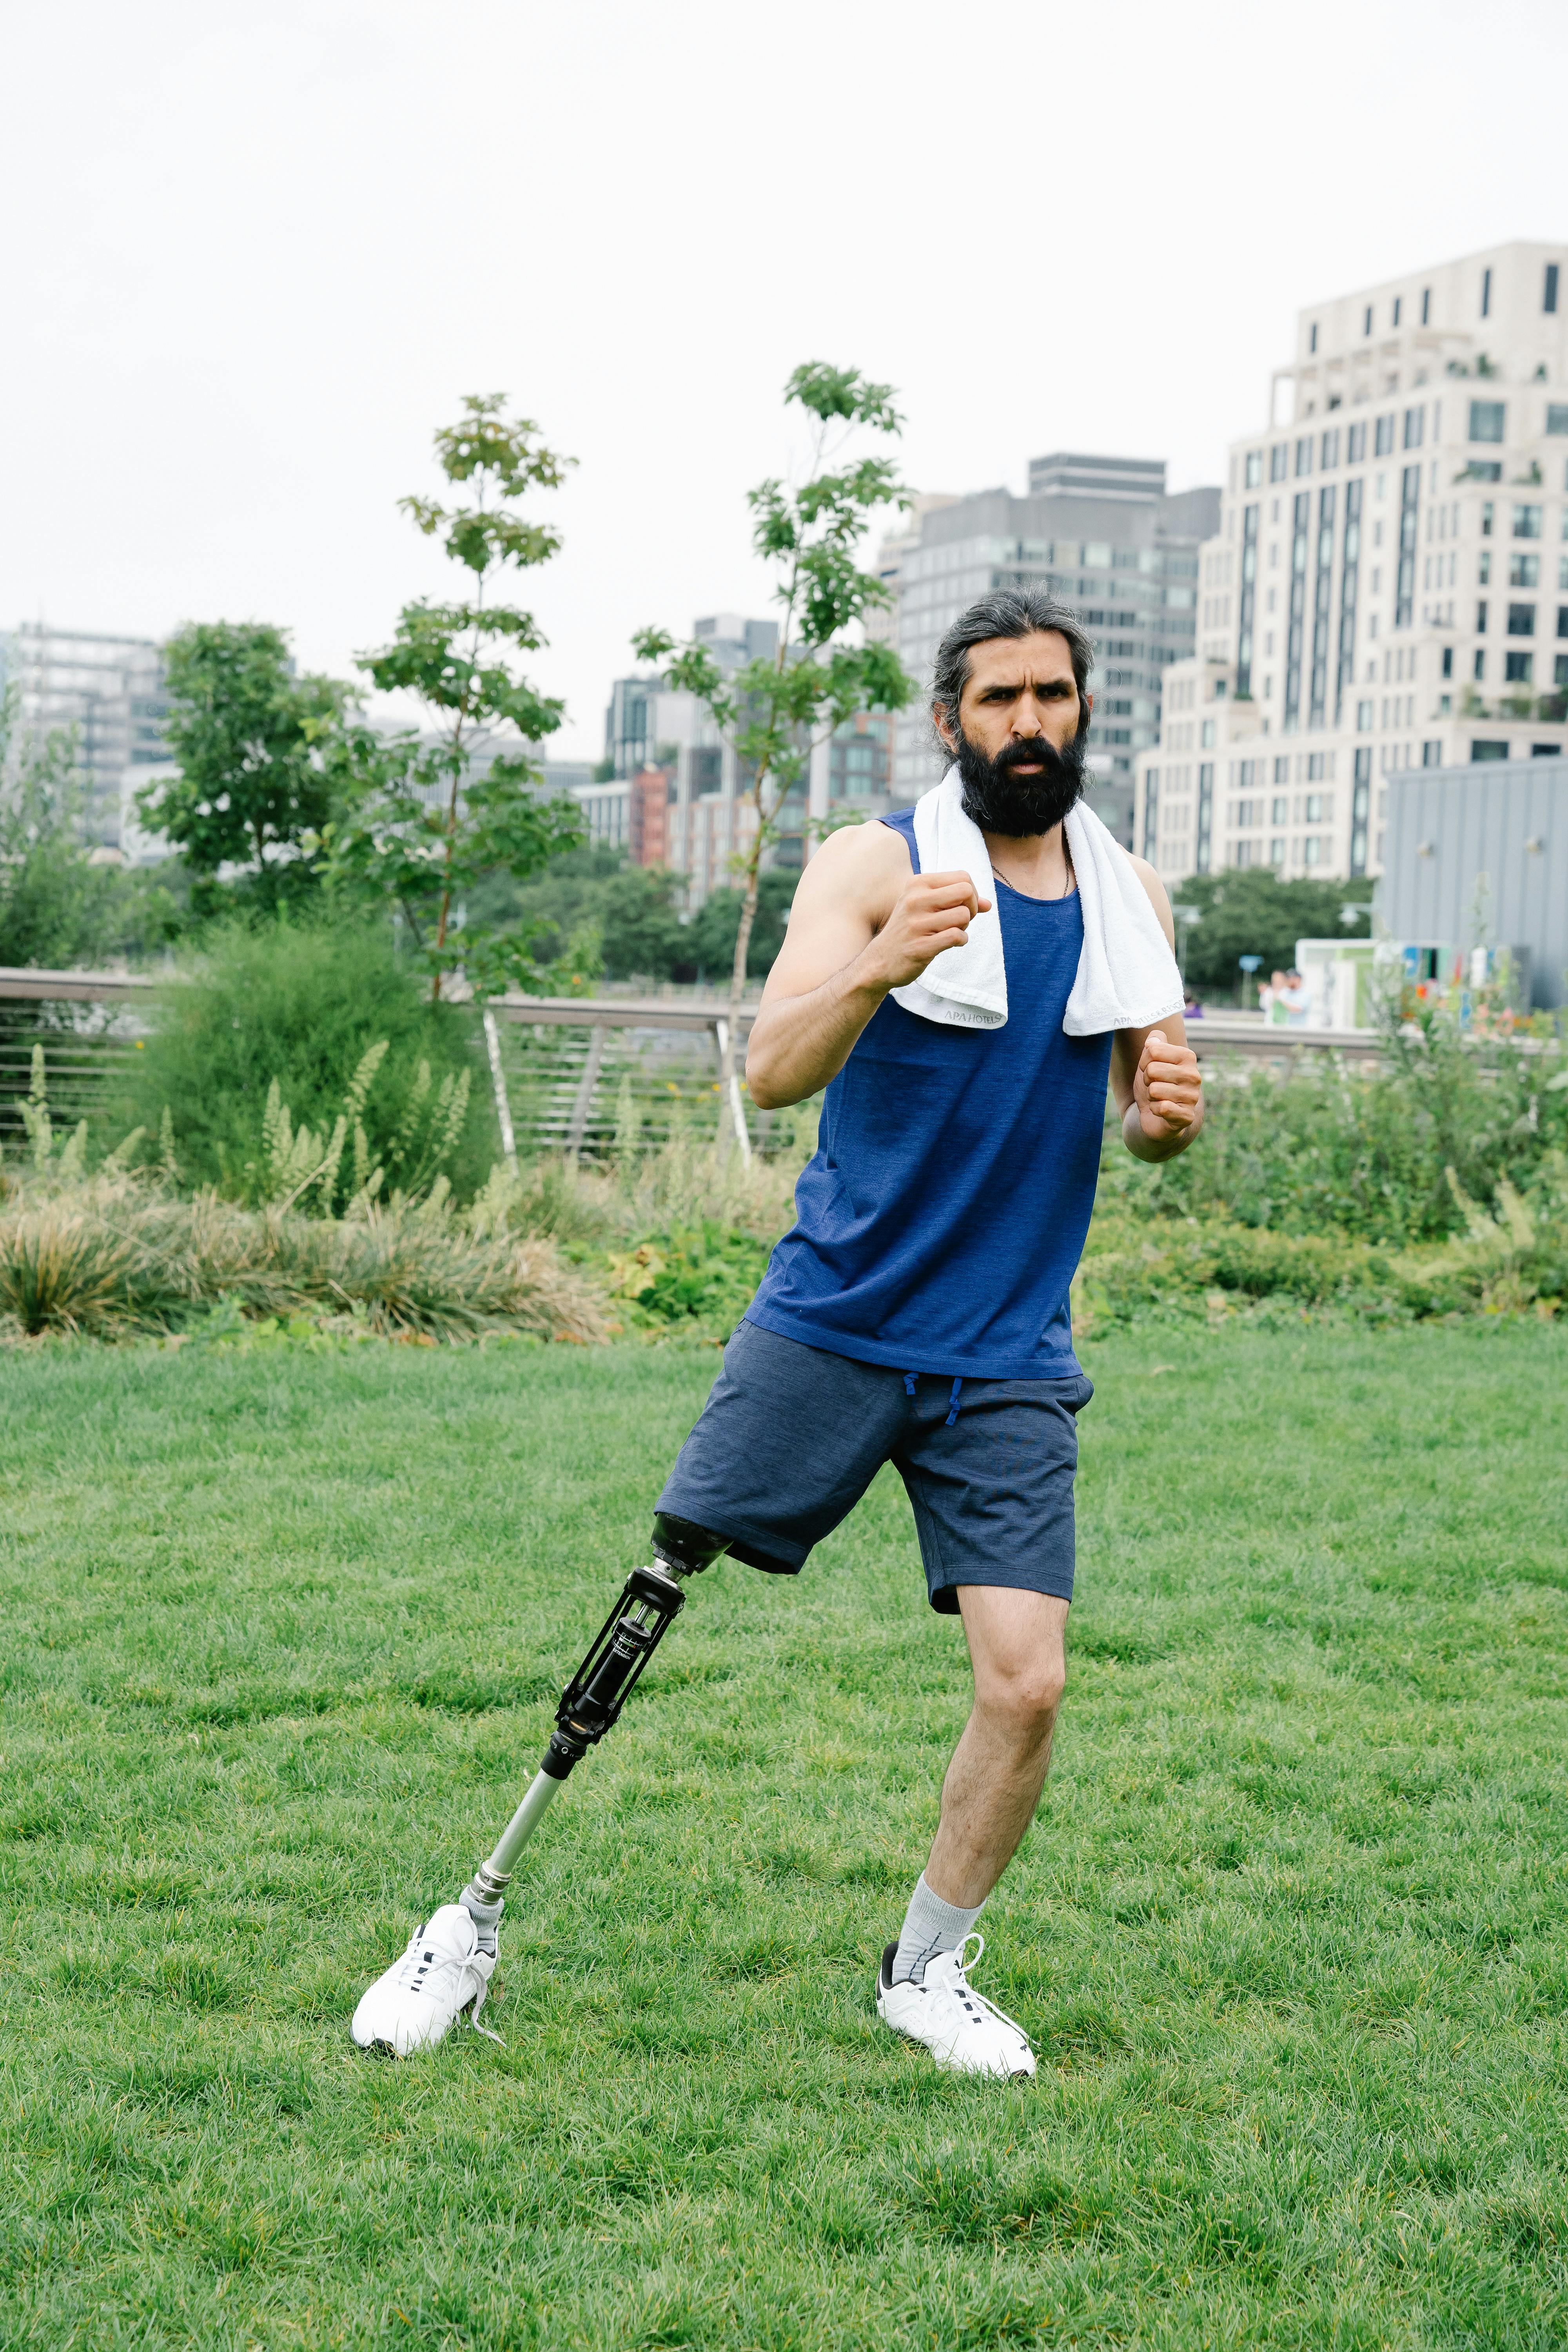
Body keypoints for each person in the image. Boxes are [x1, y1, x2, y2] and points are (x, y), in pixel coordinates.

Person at [353, 592, 1205, 2078]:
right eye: (997, 699)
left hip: (1005, 1352)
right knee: (661, 1585)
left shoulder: (1130, 892)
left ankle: (925, 1970)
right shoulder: (876, 862)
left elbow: (1138, 1119)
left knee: (1031, 1680)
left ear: (1082, 713)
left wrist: (1158, 1125)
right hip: (838, 1320)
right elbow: (770, 1068)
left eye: (1053, 698)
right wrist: (881, 965)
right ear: (950, 722)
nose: (1028, 724)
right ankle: (468, 1915)